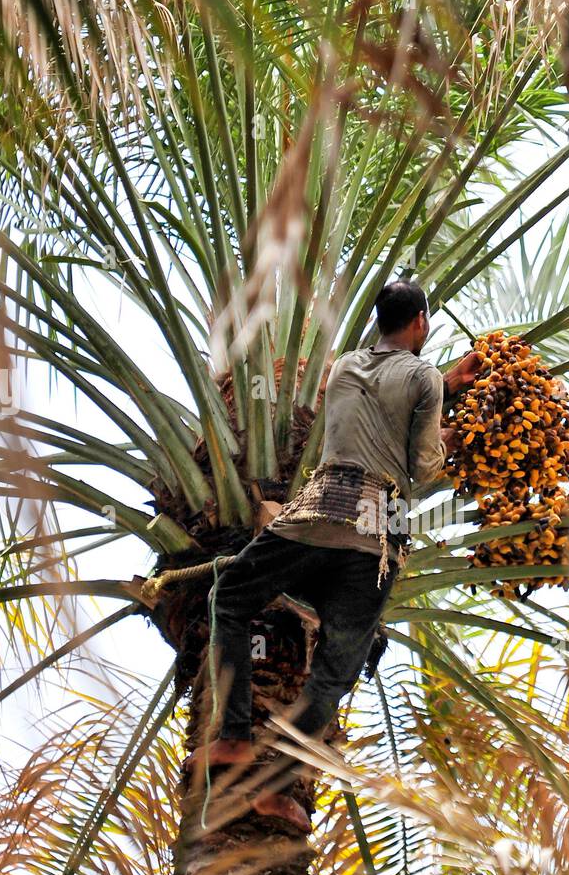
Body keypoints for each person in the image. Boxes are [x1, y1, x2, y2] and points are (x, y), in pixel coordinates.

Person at [192, 280, 481, 830]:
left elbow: (379, 399)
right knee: (331, 674)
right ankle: (271, 787)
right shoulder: (422, 377)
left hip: (312, 518)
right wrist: (457, 438)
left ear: (380, 321)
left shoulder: (346, 367)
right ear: (421, 321)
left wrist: (448, 384)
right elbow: (421, 468)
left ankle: (232, 740)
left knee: (227, 598)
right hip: (372, 536)